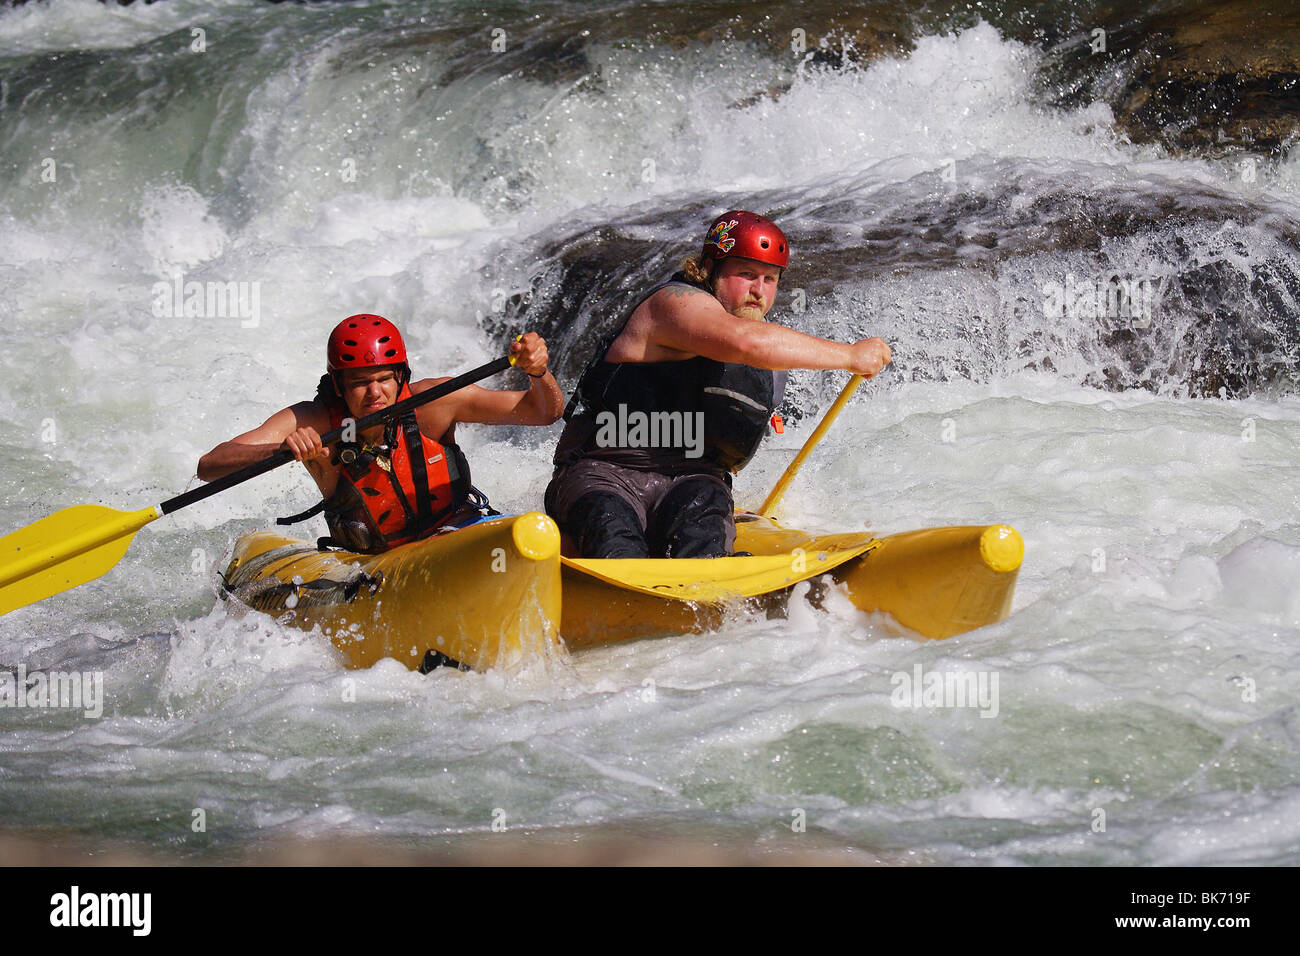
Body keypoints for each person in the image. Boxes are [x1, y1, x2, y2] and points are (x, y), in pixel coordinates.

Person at [545, 210, 892, 559]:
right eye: (747, 274)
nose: (758, 290)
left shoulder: (770, 355)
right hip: (605, 474)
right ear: (708, 269)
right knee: (615, 542)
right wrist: (850, 356)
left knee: (704, 536)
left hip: (693, 481)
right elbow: (744, 342)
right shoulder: (673, 305)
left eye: (770, 279)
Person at [197, 314, 563, 553]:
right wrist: (280, 450)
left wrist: (538, 372)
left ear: (400, 376)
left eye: (384, 379)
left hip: (456, 536)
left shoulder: (434, 403)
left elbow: (545, 412)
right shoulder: (314, 422)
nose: (375, 393)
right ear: (337, 386)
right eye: (360, 383)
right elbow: (209, 465)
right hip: (375, 562)